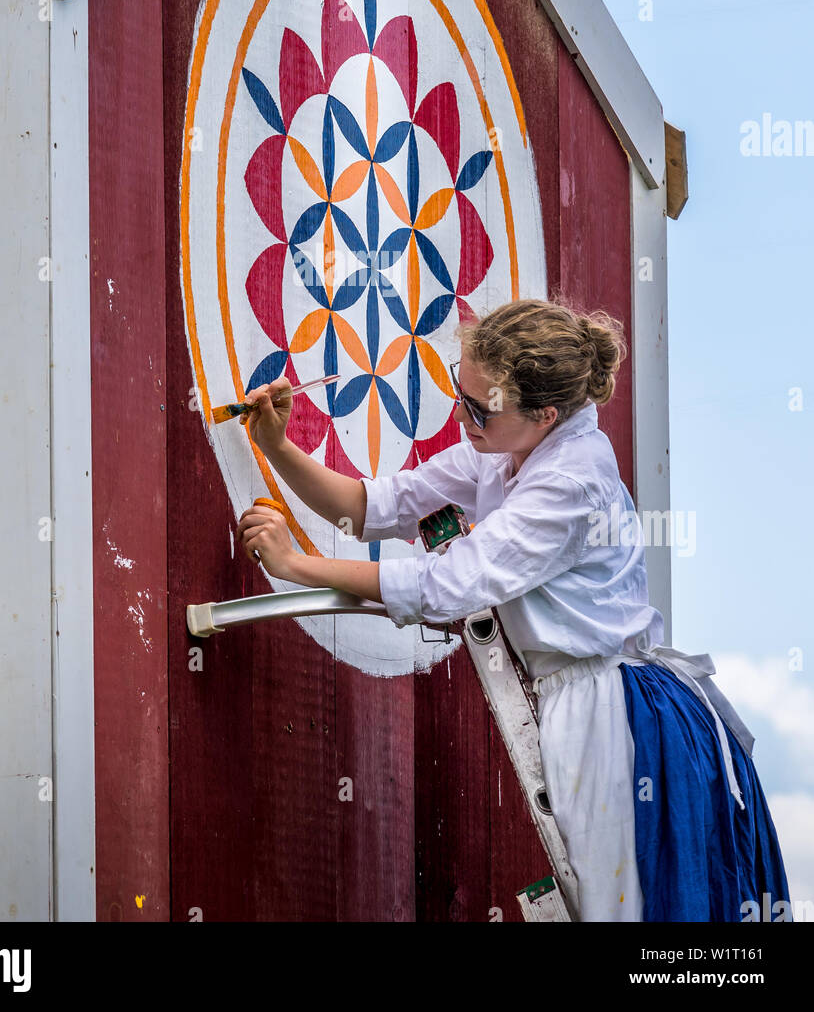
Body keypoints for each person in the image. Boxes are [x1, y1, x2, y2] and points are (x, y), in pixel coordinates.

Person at [237, 296, 792, 922]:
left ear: (547, 415)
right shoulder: (504, 443)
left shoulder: (572, 480)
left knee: (620, 909)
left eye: (479, 408)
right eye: (460, 392)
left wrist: (295, 566)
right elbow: (378, 506)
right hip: (579, 698)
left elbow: (450, 584)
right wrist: (276, 446)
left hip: (613, 712)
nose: (463, 416)